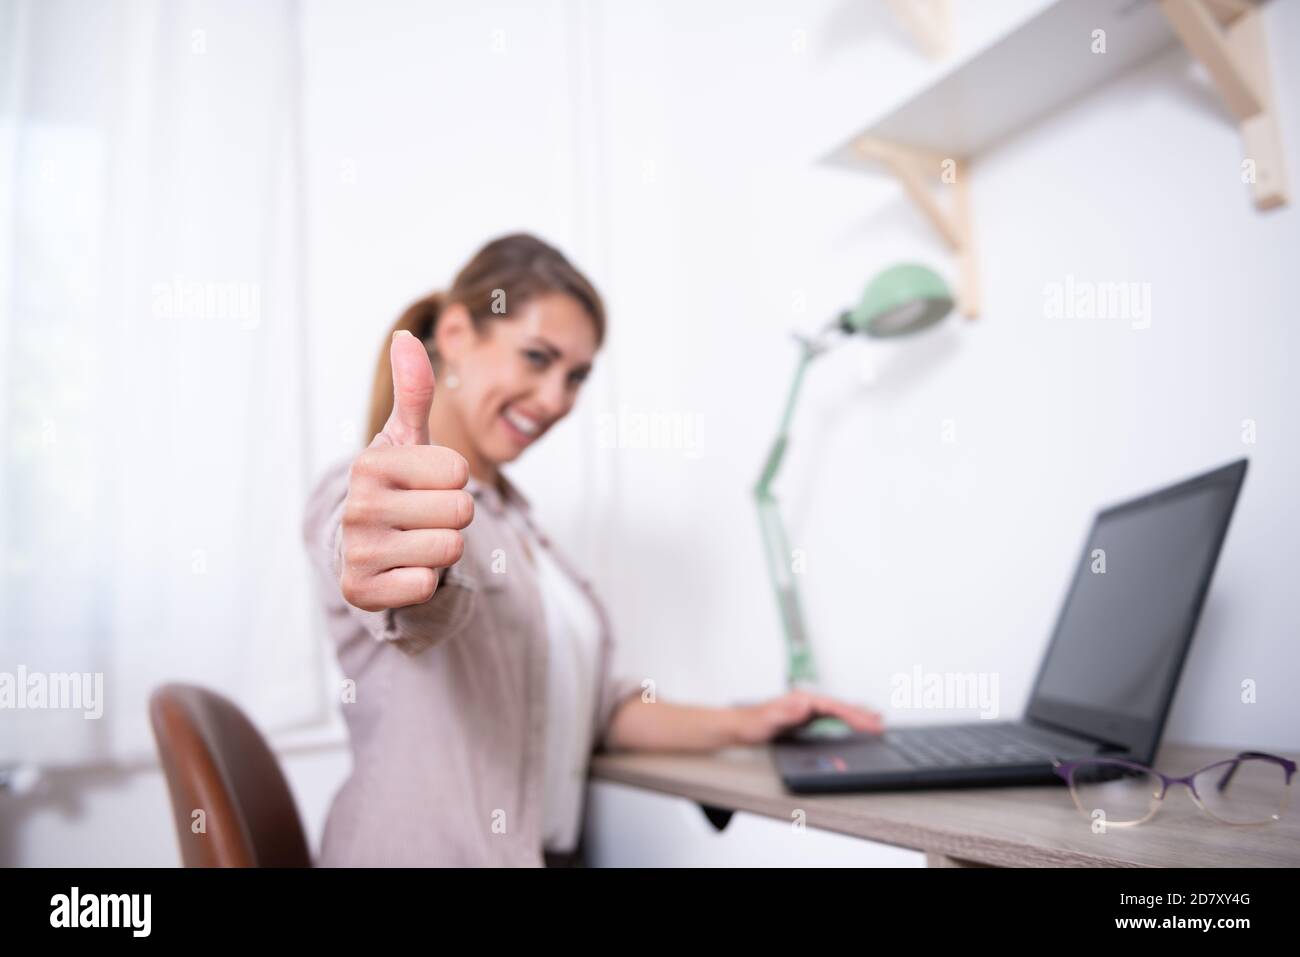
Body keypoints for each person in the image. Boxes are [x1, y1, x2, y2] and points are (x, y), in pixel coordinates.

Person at [302, 233, 882, 866]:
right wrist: (389, 554)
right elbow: (387, 574)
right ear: (458, 333)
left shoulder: (527, 534)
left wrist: (748, 723)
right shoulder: (367, 492)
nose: (557, 399)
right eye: (536, 357)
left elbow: (599, 711)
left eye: (576, 375)